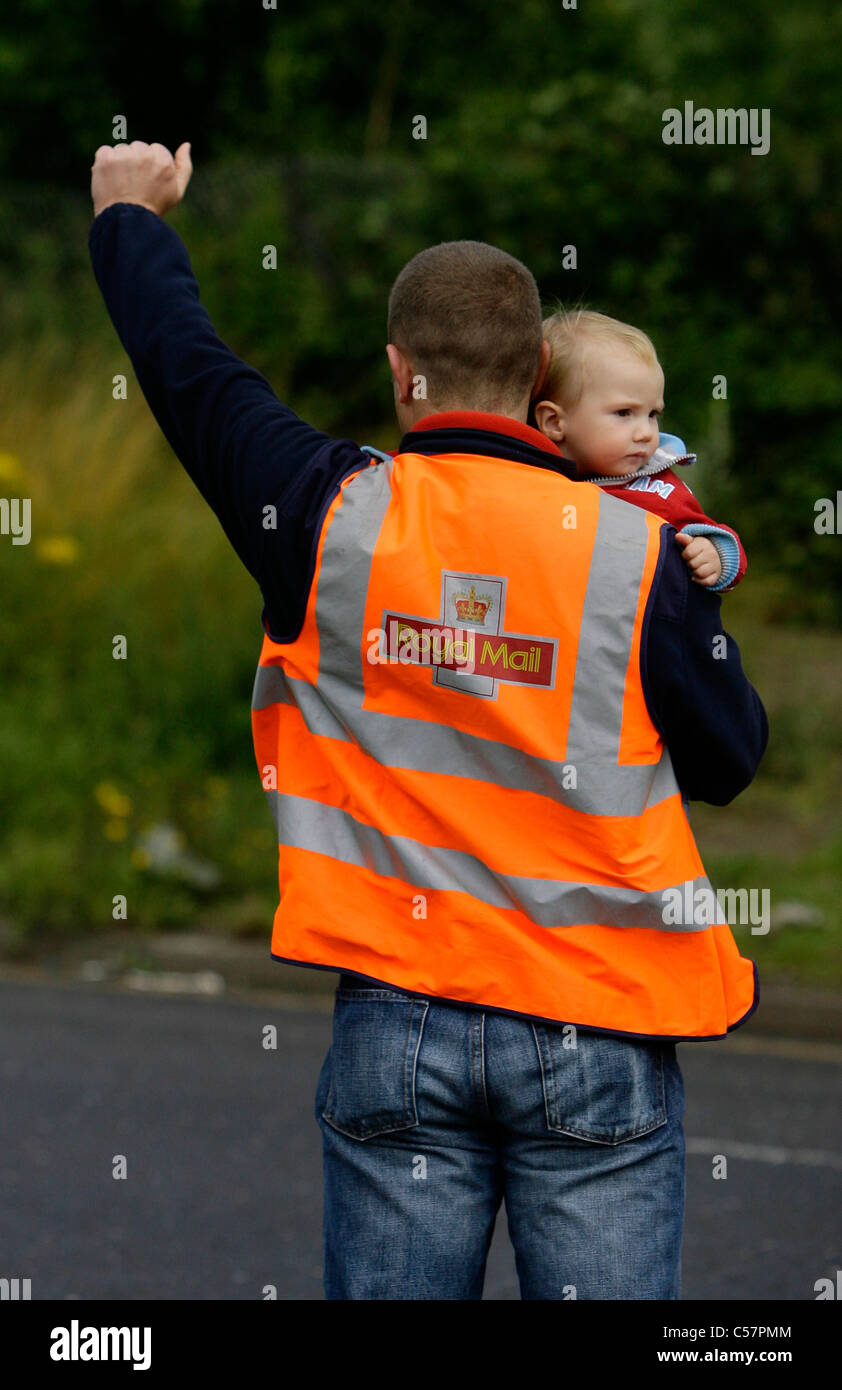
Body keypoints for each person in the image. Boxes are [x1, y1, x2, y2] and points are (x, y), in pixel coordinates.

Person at [89, 140, 769, 1301]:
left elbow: (189, 371)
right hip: (594, 1022)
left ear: (404, 371)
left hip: (396, 1022)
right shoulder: (636, 554)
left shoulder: (322, 510)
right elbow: (729, 756)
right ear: (537, 378)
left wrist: (128, 218)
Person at [534, 308, 745, 592]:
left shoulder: (657, 489)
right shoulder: (526, 481)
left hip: (644, 632)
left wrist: (713, 554)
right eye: (624, 413)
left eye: (652, 414)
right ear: (554, 422)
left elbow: (705, 531)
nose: (645, 433)